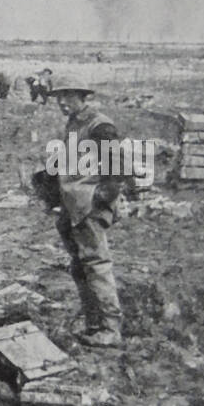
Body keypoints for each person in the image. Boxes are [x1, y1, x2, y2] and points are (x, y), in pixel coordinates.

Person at [42, 74, 125, 347]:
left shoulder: (100, 126)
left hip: (88, 206)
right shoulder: (75, 124)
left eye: (68, 96)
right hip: (73, 206)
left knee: (97, 265)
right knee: (80, 267)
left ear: (82, 96)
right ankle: (94, 324)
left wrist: (99, 198)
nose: (62, 103)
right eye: (59, 98)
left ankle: (111, 329)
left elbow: (115, 171)